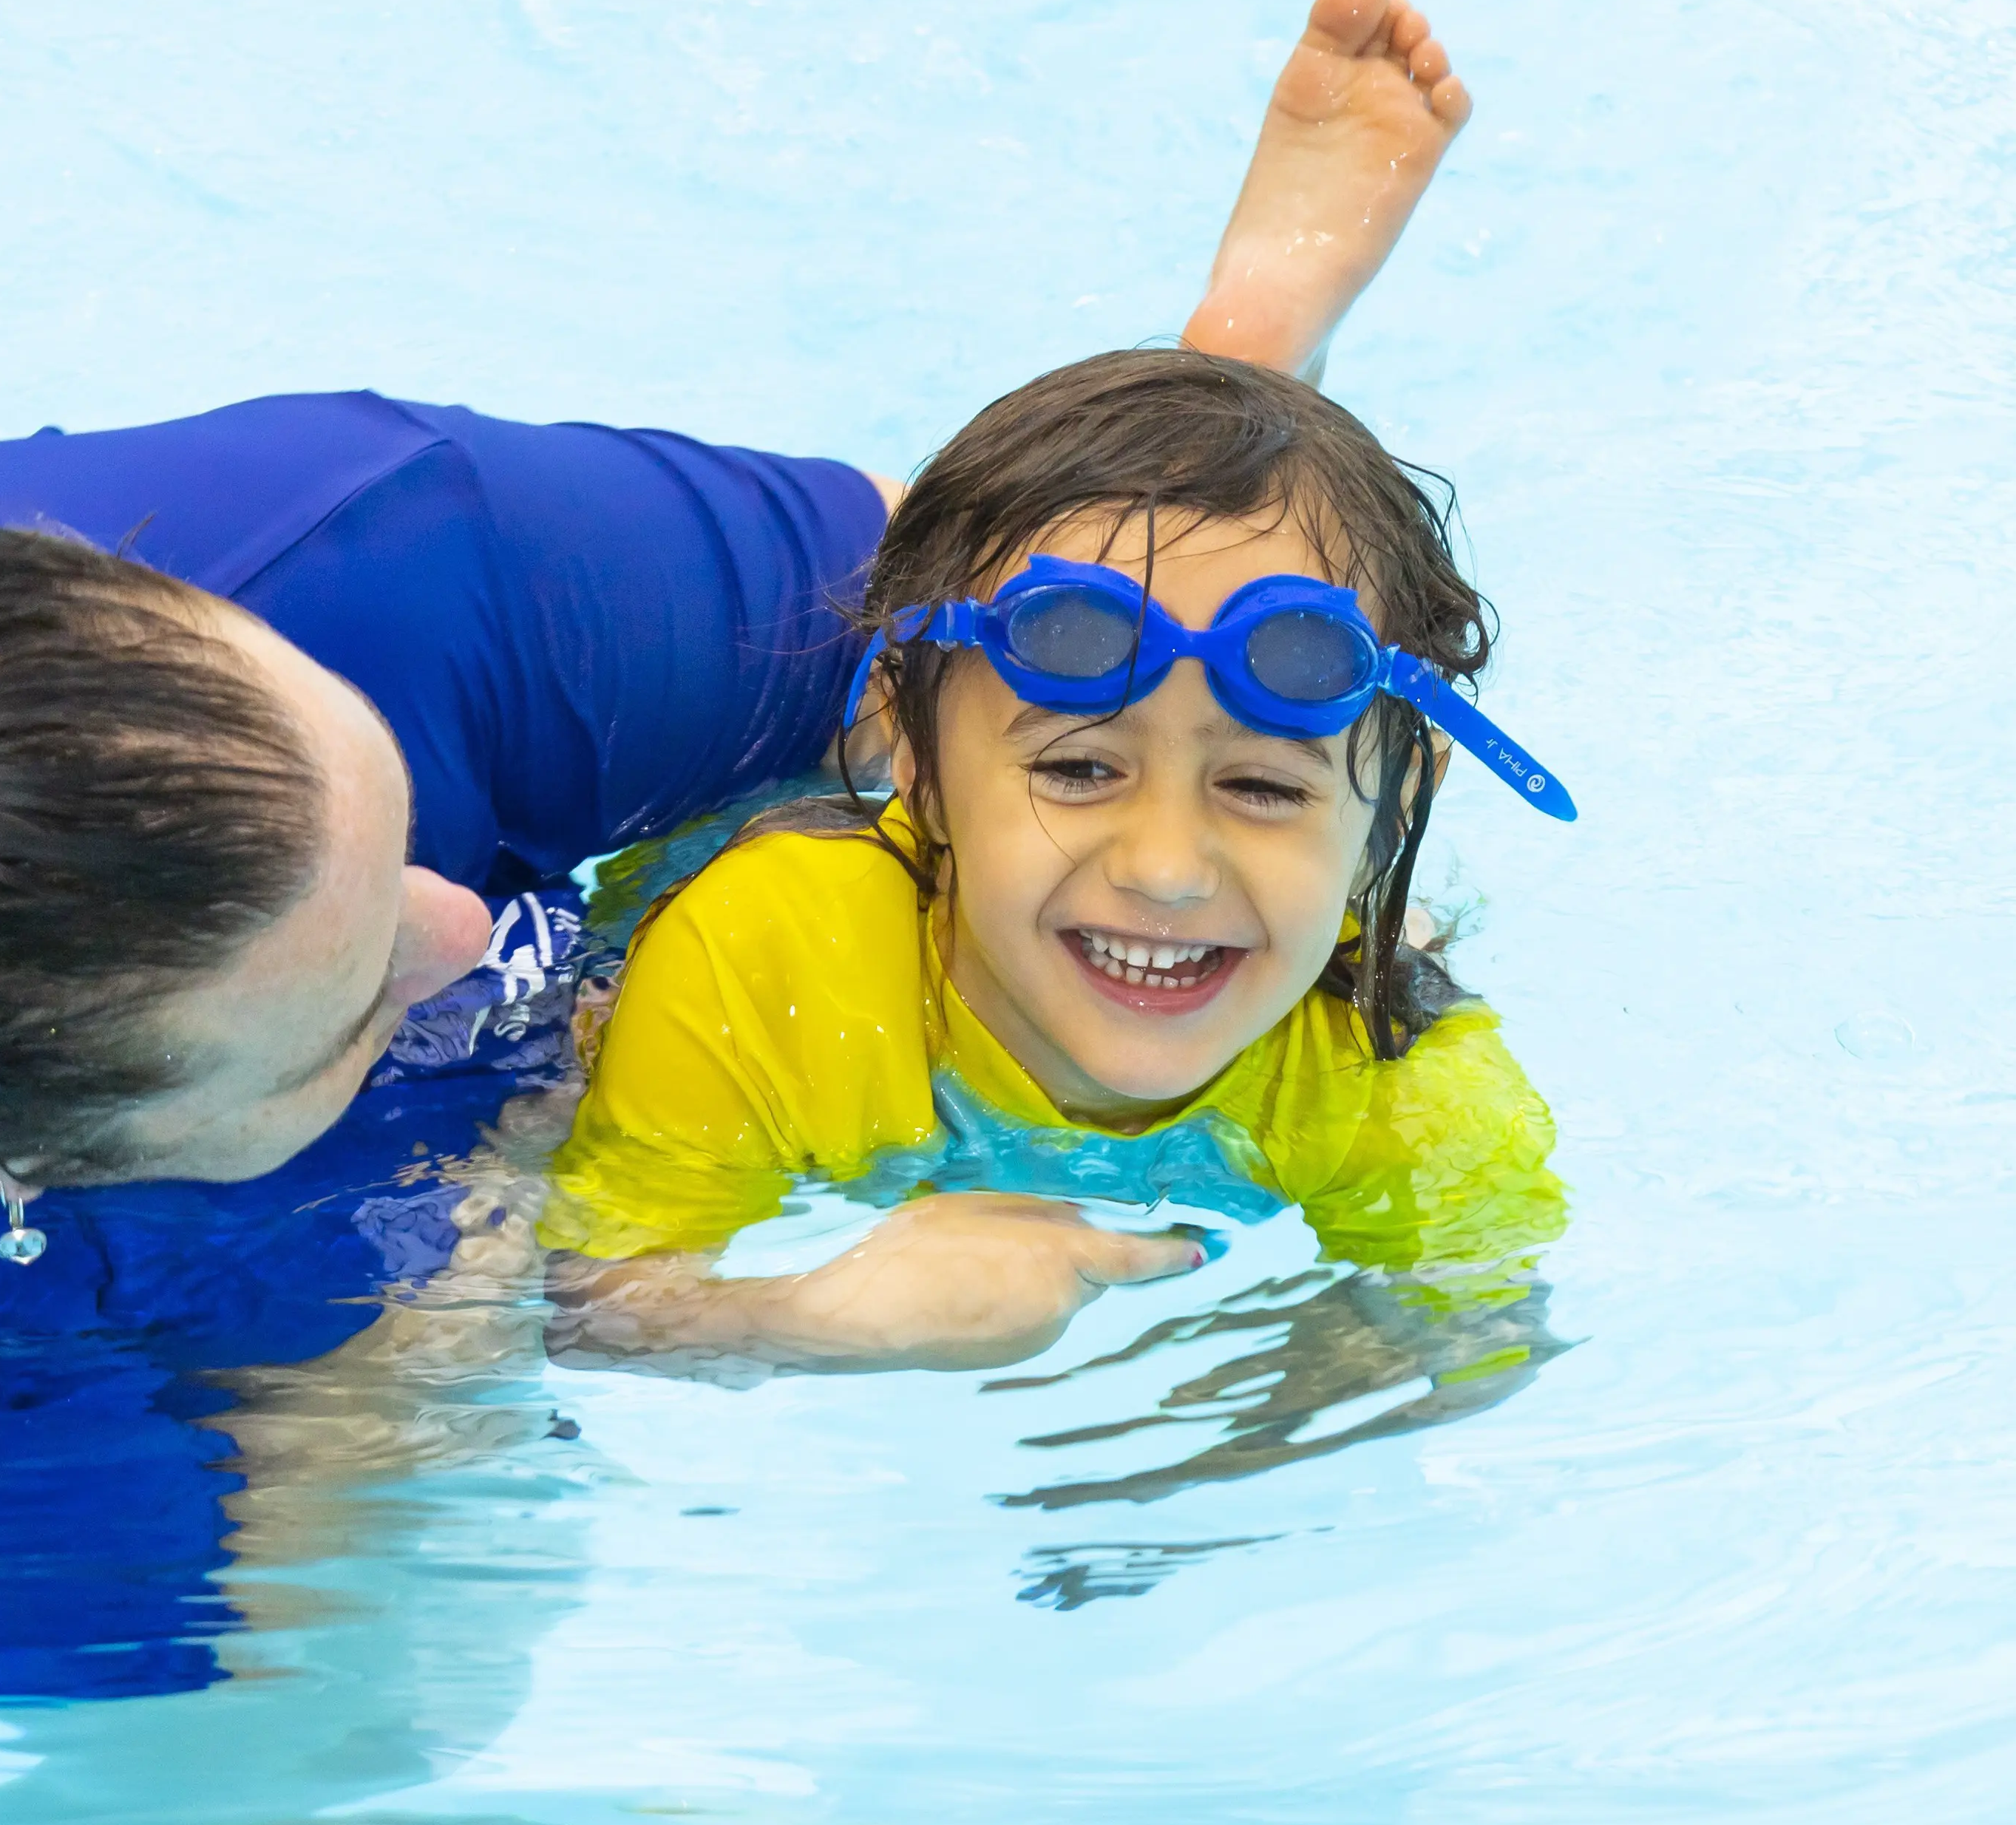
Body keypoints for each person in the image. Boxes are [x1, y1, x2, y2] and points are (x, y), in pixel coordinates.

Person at [0, 0, 1477, 1229]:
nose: (479, 933)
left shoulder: (396, 550)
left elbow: (961, 606)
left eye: (402, 837)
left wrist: (1239, 378)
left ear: (218, 631)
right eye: (353, 1005)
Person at [539, 347, 1571, 1376]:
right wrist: (809, 1318)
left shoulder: (1397, 1081)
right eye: (1080, 768)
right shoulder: (767, 965)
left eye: (1262, 788)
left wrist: (1205, 1447)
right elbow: (593, 1305)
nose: (1167, 867)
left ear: (1401, 803)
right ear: (915, 754)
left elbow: (1475, 1350)